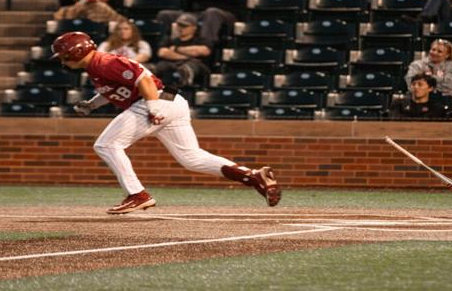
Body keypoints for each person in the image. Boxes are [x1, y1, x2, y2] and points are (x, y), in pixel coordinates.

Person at [51, 31, 280, 214]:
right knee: (191, 158)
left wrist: (153, 107)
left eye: (62, 55)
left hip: (154, 100)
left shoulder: (106, 62)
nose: (61, 60)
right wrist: (92, 104)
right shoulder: (96, 66)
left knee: (106, 145)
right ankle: (252, 176)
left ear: (75, 51)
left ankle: (137, 195)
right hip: (170, 101)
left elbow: (144, 79)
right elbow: (114, 89)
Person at [152, 13, 216, 87]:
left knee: (189, 67)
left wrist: (176, 49)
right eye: (179, 25)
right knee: (160, 66)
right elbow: (163, 53)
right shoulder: (170, 40)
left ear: (194, 27)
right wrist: (187, 57)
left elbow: (204, 51)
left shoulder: (201, 40)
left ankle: (185, 87)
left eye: (185, 26)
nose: (181, 28)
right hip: (174, 64)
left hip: (195, 66)